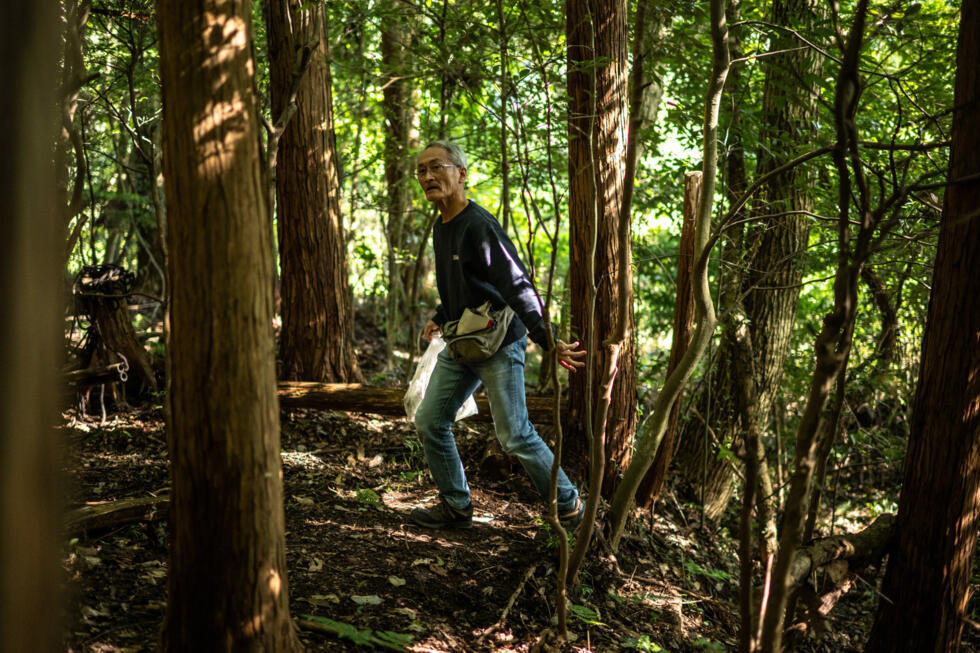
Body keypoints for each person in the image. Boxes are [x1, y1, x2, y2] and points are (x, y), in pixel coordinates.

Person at [409, 140, 587, 531]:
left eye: (436, 167)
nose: (427, 177)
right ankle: (456, 508)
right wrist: (441, 315)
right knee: (430, 421)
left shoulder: (480, 225)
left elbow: (515, 283)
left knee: (515, 435)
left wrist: (546, 337)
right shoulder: (442, 227)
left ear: (461, 173)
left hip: (499, 342)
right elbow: (464, 283)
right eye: (421, 171)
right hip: (463, 342)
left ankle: (570, 506)